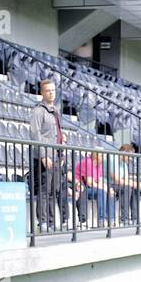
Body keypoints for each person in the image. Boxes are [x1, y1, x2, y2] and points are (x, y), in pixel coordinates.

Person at [29, 78, 64, 232]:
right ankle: (42, 222)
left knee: (53, 190)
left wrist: (61, 156)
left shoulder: (55, 110)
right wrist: (43, 155)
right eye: (48, 90)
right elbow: (35, 133)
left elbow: (57, 134)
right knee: (44, 190)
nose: (51, 93)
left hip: (55, 156)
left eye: (53, 90)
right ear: (42, 93)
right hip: (44, 157)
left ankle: (50, 222)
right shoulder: (39, 110)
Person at [70, 150, 114, 228]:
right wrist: (104, 188)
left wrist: (107, 188)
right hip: (81, 187)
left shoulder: (99, 165)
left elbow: (100, 181)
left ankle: (111, 219)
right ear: (96, 156)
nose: (104, 157)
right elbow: (90, 182)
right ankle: (102, 219)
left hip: (90, 187)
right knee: (102, 192)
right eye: (102, 155)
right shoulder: (88, 162)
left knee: (109, 192)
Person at [111, 144, 139, 225]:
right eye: (129, 155)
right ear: (123, 152)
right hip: (110, 184)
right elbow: (115, 179)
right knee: (128, 187)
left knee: (133, 188)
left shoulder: (124, 163)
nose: (130, 158)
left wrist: (134, 184)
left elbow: (126, 179)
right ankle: (124, 218)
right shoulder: (113, 159)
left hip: (120, 184)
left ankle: (135, 218)